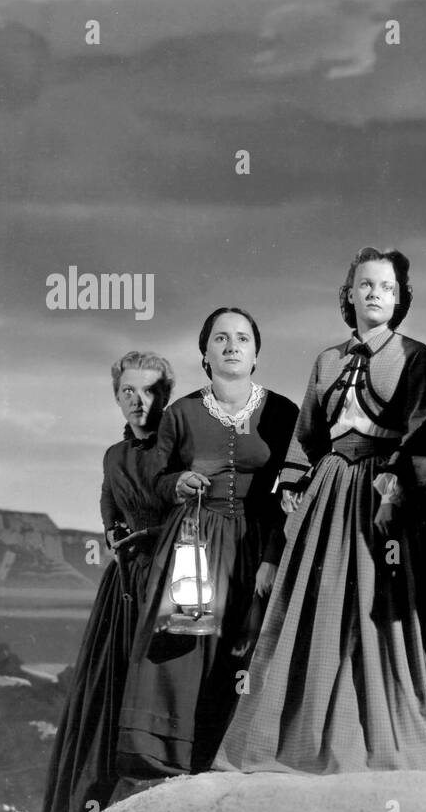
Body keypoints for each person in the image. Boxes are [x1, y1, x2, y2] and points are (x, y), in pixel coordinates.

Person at [215, 248, 426, 773]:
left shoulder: (416, 355)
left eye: (386, 286)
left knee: (385, 606)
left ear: (399, 299)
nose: (375, 293)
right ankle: (303, 733)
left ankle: (389, 732)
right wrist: (291, 482)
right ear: (349, 295)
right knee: (321, 606)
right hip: (330, 492)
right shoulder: (326, 360)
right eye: (365, 285)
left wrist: (392, 491)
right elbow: (307, 434)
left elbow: (421, 433)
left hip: (386, 491)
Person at [115, 308, 298, 786]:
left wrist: (274, 556)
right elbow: (152, 480)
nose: (232, 346)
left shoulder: (283, 412)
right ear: (205, 353)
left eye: (242, 338)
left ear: (256, 352)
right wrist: (178, 481)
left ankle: (234, 757)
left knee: (245, 649)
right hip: (195, 541)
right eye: (220, 338)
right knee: (186, 648)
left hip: (259, 541)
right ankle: (172, 762)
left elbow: (296, 488)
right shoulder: (180, 414)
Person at [39, 352, 173, 812]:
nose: (140, 402)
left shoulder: (179, 449)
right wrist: (118, 536)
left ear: (167, 394)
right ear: (117, 397)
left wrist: (151, 539)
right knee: (107, 696)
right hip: (123, 590)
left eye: (151, 391)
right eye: (128, 393)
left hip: (174, 581)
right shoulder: (113, 456)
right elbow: (109, 504)